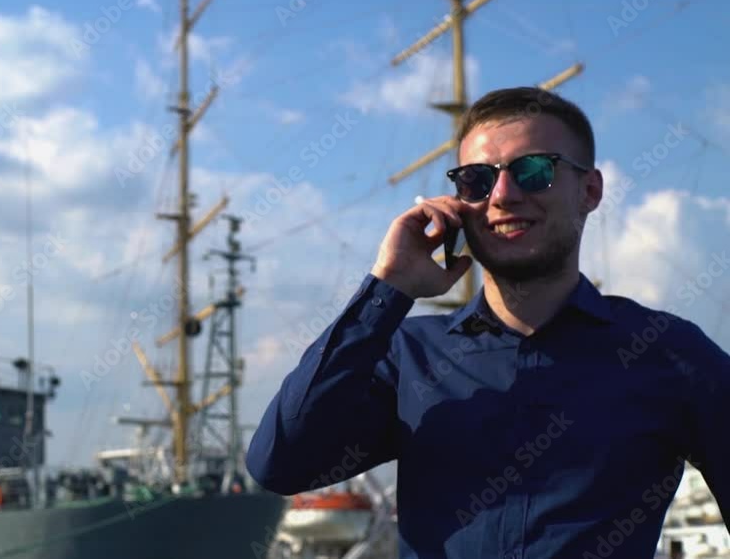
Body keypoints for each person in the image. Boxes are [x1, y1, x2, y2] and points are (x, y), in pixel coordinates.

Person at [246, 87, 729, 558]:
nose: (502, 195)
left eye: (533, 170)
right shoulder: (409, 358)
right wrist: (387, 287)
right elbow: (280, 465)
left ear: (590, 190)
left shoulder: (668, 354)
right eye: (476, 179)